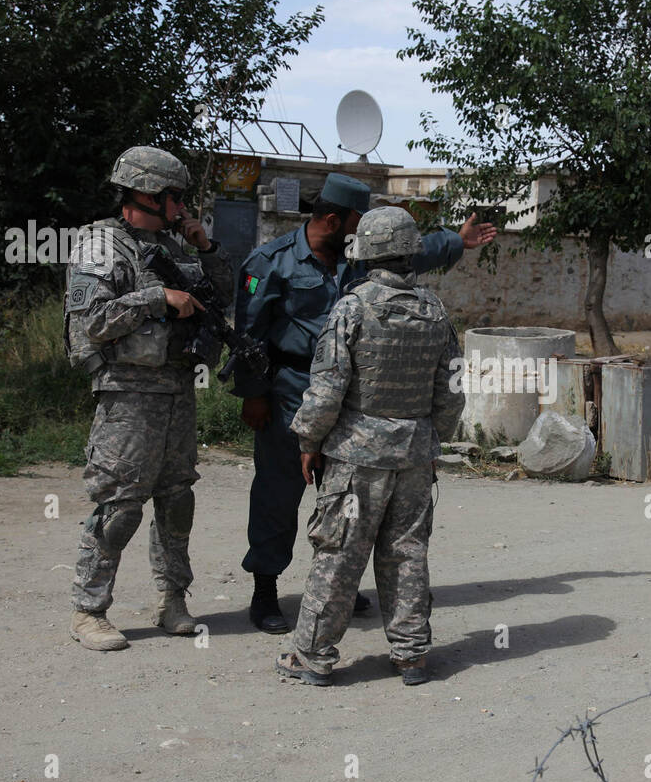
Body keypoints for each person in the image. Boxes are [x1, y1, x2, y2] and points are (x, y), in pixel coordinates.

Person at [232, 173, 494, 633]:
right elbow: (249, 335)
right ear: (332, 220)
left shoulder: (357, 258)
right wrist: (254, 395)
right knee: (278, 492)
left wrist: (458, 239)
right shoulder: (269, 262)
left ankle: (338, 588)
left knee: (346, 500)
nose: (364, 234)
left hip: (352, 399)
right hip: (291, 389)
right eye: (357, 223)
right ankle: (265, 589)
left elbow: (415, 249)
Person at [273, 206, 465, 686]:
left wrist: (309, 439)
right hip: (415, 454)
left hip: (357, 458)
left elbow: (327, 388)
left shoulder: (353, 307)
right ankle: (411, 655)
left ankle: (313, 656)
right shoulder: (435, 310)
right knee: (408, 552)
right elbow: (452, 391)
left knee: (339, 552)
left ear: (368, 251)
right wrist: (430, 438)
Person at [63, 146, 233, 651]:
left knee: (177, 499)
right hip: (128, 394)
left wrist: (205, 248)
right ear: (147, 192)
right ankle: (88, 610)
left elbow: (221, 298)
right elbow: (91, 320)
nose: (182, 205)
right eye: (176, 196)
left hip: (177, 390)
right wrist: (155, 298)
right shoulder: (100, 243)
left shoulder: (175, 244)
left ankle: (172, 599)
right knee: (119, 506)